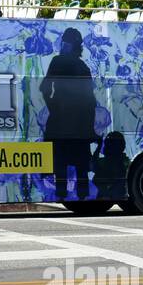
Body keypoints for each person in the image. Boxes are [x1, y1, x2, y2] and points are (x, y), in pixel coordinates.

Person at [40, 27, 97, 201]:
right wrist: (89, 128)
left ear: (69, 45)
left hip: (60, 123)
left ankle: (62, 195)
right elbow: (91, 102)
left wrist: (54, 108)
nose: (62, 45)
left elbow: (44, 88)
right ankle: (82, 198)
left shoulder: (58, 62)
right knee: (80, 166)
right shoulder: (84, 68)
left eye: (65, 42)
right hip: (80, 126)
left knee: (60, 165)